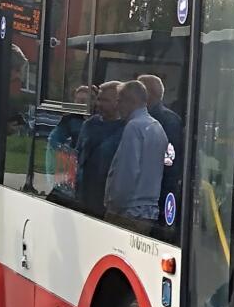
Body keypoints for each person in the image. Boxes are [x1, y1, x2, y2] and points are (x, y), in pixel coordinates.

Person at [106, 79, 166, 221]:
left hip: (129, 210)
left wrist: (113, 205)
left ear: (131, 101)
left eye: (120, 101)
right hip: (150, 209)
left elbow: (127, 171)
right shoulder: (157, 127)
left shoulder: (134, 127)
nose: (117, 106)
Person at [135, 74, 184, 216]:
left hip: (156, 192)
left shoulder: (168, 121)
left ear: (149, 94)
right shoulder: (135, 117)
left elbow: (169, 161)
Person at [77, 81, 125, 214]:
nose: (99, 104)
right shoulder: (89, 124)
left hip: (107, 200)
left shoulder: (128, 129)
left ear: (118, 102)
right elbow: (78, 154)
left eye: (105, 100)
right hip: (83, 196)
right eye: (98, 99)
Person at [48, 83, 96, 192]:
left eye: (83, 101)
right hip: (75, 167)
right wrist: (70, 155)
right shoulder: (70, 119)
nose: (80, 104)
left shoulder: (100, 119)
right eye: (78, 100)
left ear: (93, 101)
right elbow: (54, 138)